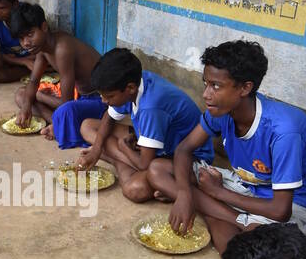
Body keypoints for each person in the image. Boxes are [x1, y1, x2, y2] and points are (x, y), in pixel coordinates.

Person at [148, 40, 306, 252]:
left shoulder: (283, 131)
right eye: (205, 83)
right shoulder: (222, 111)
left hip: (294, 207)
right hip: (245, 188)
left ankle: (214, 212)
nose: (206, 94)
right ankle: (234, 218)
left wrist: (217, 193)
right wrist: (185, 194)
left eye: (216, 86)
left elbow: (280, 210)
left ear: (245, 88)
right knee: (158, 169)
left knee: (240, 250)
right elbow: (184, 149)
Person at [76, 48, 213, 201]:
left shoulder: (151, 107)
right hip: (158, 140)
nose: (104, 101)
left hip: (188, 159)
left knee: (134, 190)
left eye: (109, 96)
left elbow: (144, 164)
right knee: (87, 126)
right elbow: (109, 116)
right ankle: (119, 159)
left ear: (130, 88)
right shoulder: (138, 81)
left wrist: (123, 148)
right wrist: (96, 150)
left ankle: (117, 160)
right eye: (102, 95)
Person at [10, 2, 103, 145]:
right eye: (21, 39)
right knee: (22, 96)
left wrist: (39, 96)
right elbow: (34, 82)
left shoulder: (62, 49)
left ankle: (58, 124)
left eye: (30, 34)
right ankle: (58, 122)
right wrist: (26, 107)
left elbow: (67, 103)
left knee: (57, 106)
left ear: (44, 27)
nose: (26, 43)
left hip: (101, 100)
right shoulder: (42, 49)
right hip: (80, 98)